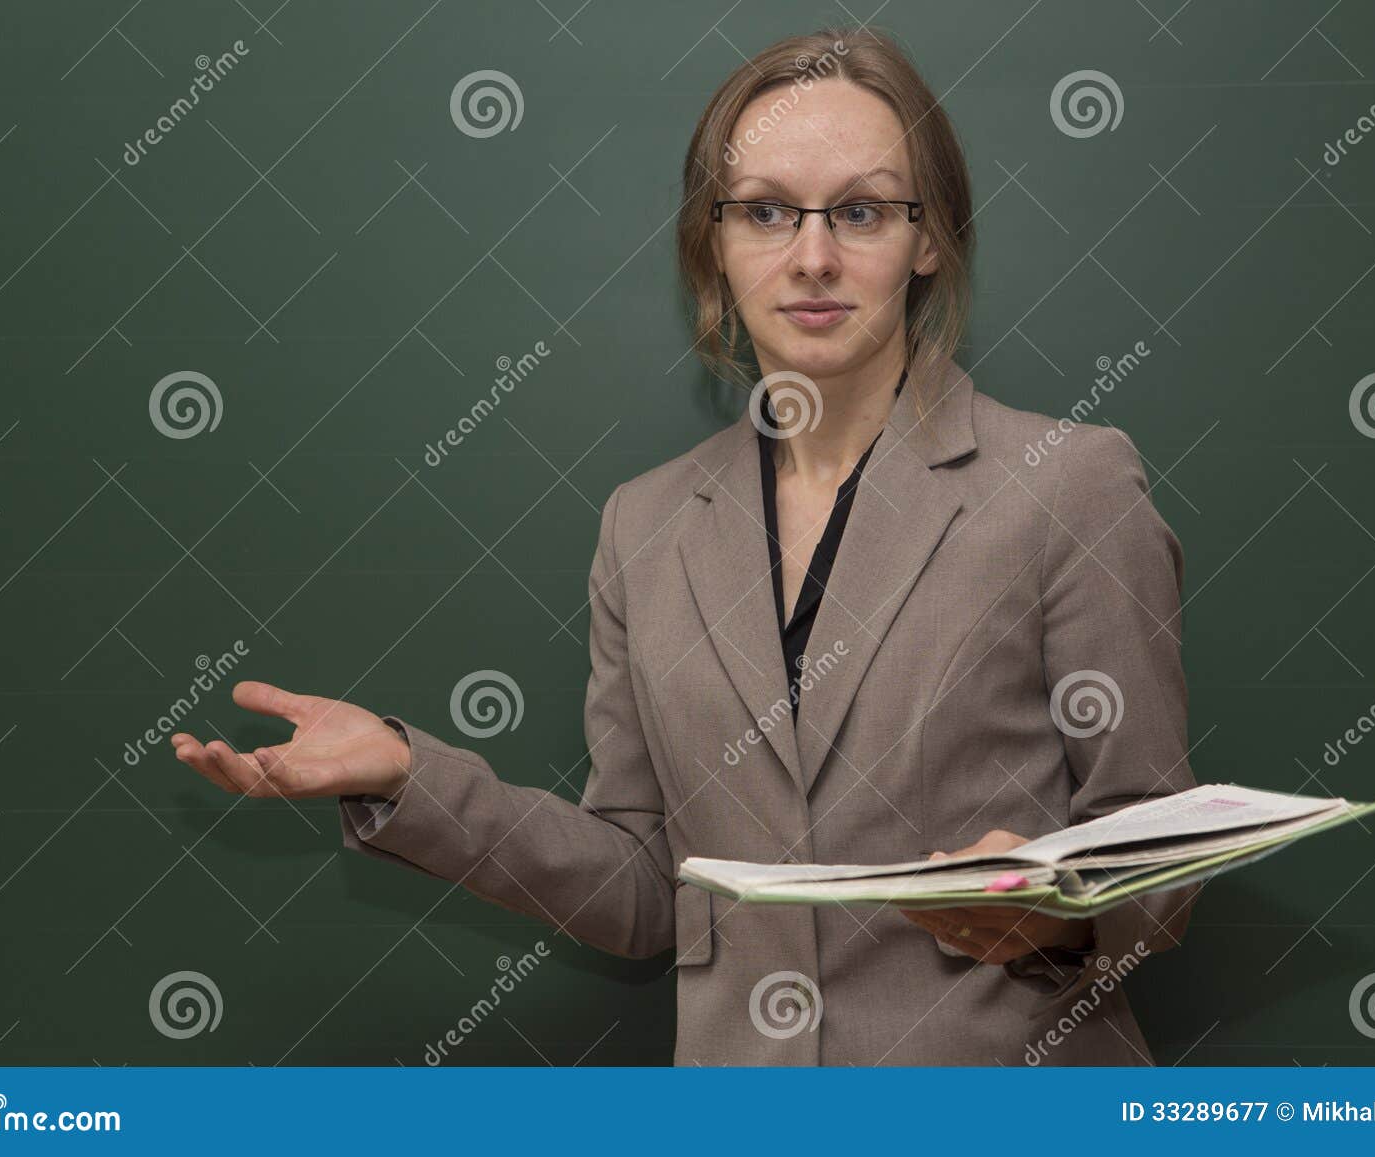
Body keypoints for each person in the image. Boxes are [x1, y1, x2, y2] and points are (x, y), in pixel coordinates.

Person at [171, 26, 1198, 1065]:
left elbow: (1162, 853)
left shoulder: (1068, 484)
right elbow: (644, 885)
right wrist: (405, 772)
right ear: (712, 241)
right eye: (762, 211)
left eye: (860, 210)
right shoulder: (644, 525)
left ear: (928, 239)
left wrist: (1059, 903)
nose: (811, 256)